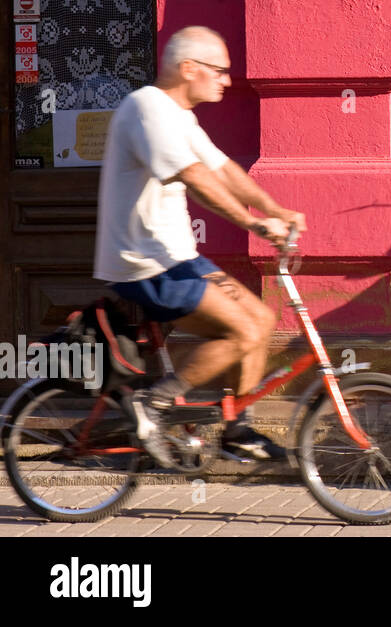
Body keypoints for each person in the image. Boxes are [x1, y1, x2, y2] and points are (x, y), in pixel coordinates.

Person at [93, 26, 307, 467]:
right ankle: (152, 404)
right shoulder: (146, 109)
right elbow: (195, 177)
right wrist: (252, 223)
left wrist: (276, 209)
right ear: (189, 69)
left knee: (261, 322)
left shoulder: (180, 116)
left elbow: (223, 169)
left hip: (177, 258)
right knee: (242, 331)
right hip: (144, 263)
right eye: (220, 71)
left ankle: (237, 430)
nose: (227, 81)